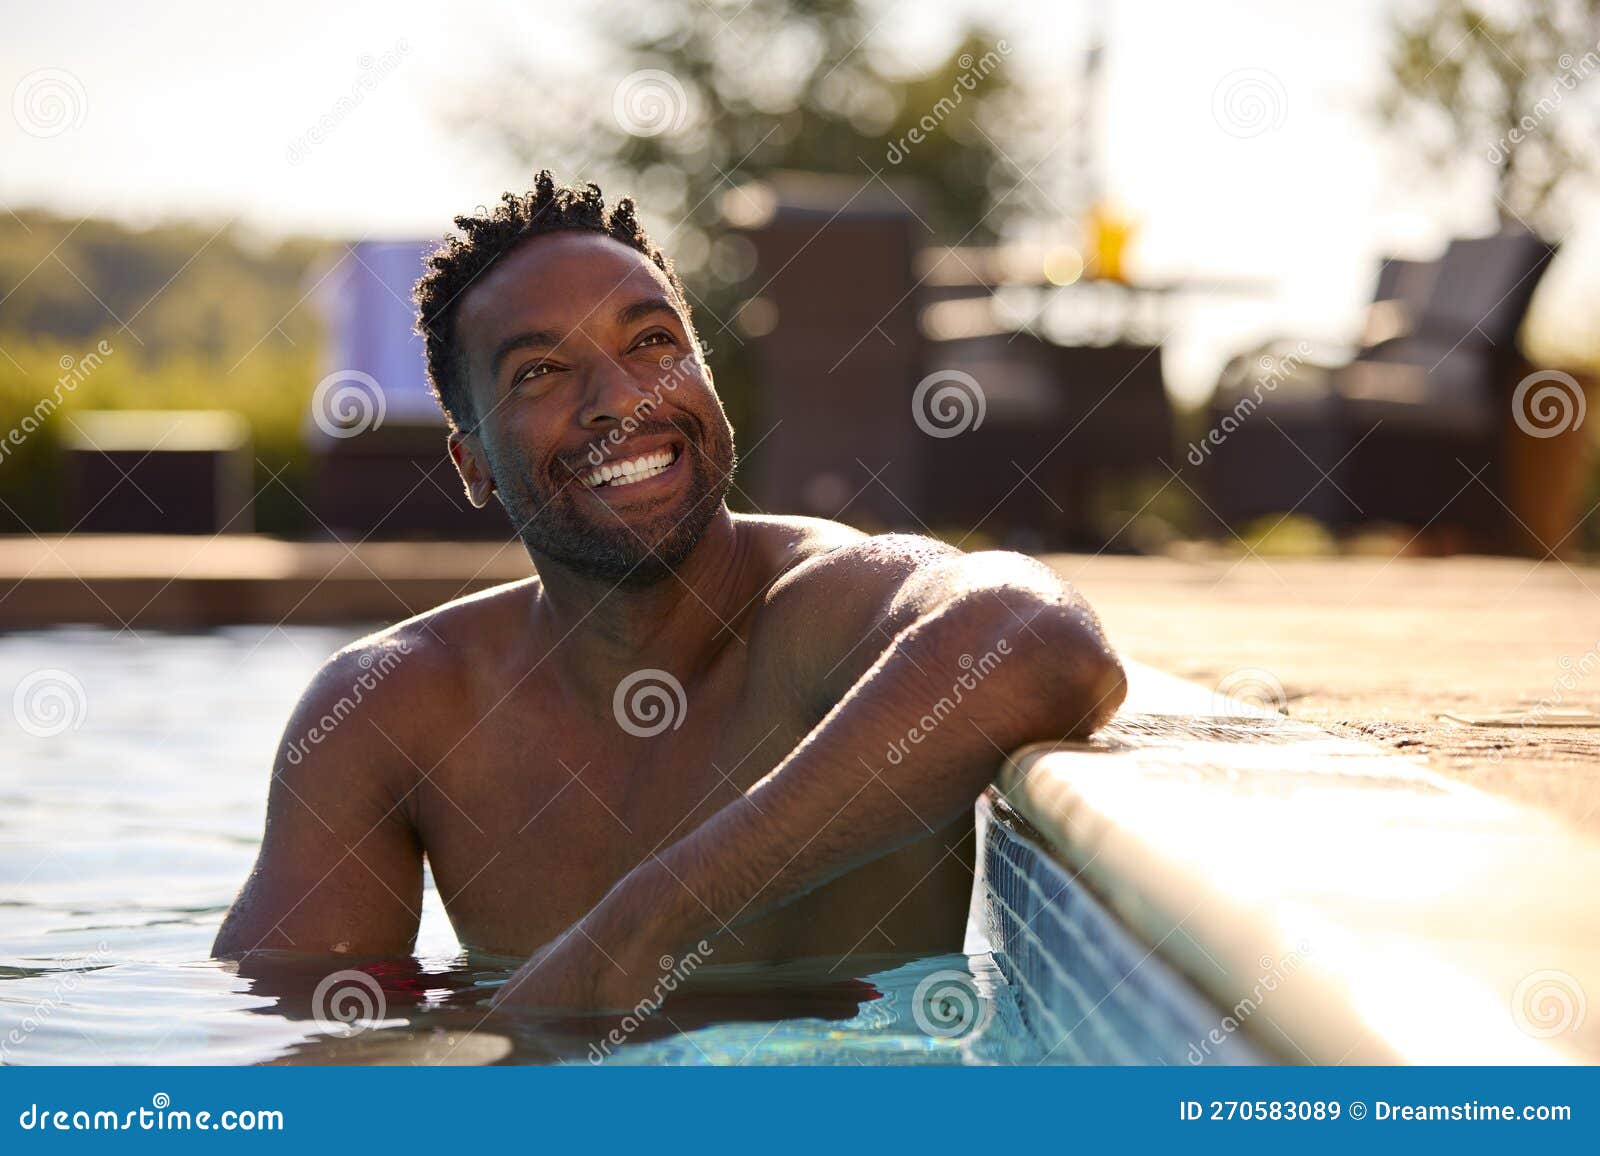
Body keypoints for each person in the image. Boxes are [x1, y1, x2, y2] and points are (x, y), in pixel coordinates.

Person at [213, 172, 1126, 1012]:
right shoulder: (397, 706)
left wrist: (642, 929)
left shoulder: (824, 613)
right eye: (540, 371)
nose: (622, 399)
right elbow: (298, 1033)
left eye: (652, 342)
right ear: (472, 462)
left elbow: (1041, 642)